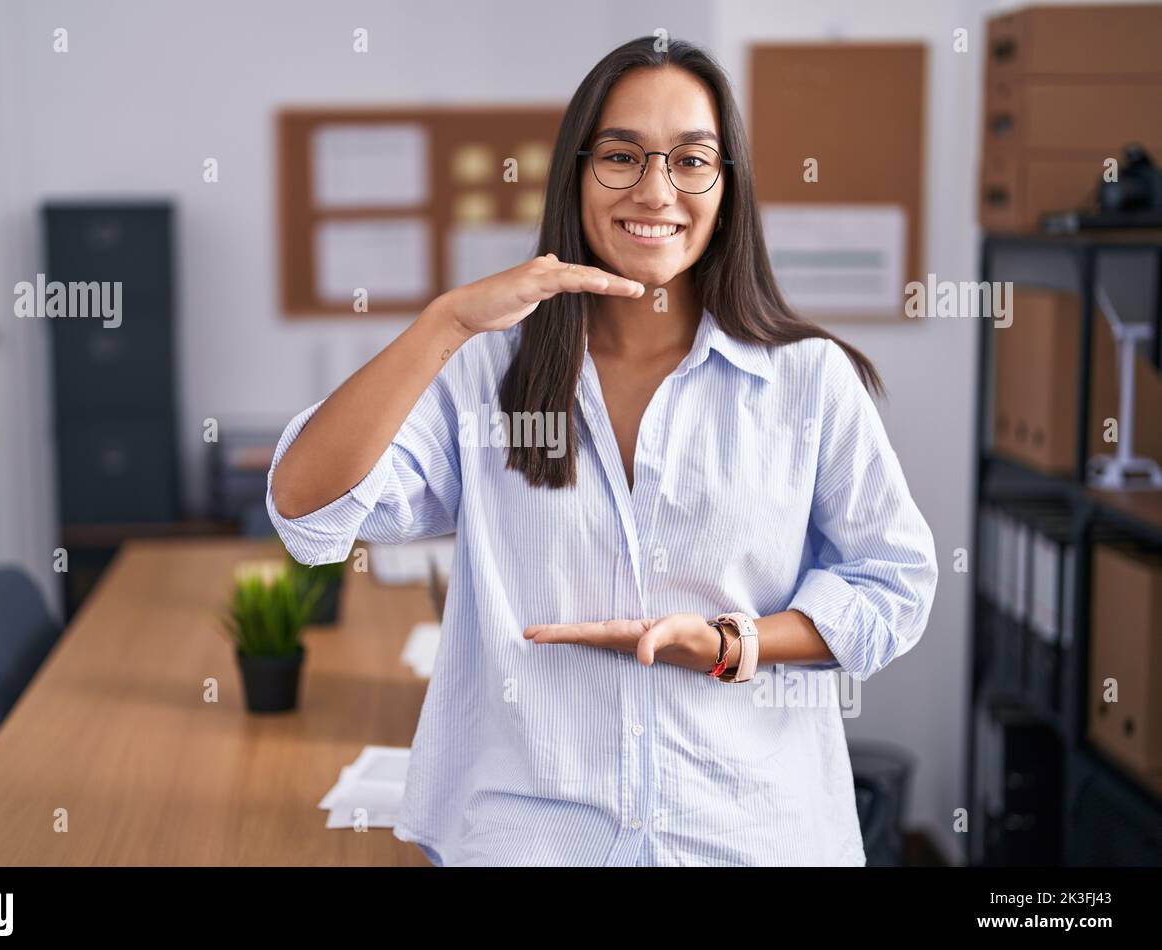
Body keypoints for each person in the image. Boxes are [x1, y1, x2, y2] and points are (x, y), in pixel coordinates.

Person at [268, 35, 938, 866]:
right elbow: (306, 510)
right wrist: (444, 325)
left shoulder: (807, 379)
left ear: (726, 187)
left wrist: (736, 644)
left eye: (692, 159)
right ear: (576, 176)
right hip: (532, 839)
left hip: (748, 835)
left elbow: (895, 584)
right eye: (622, 156)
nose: (656, 189)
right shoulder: (486, 370)